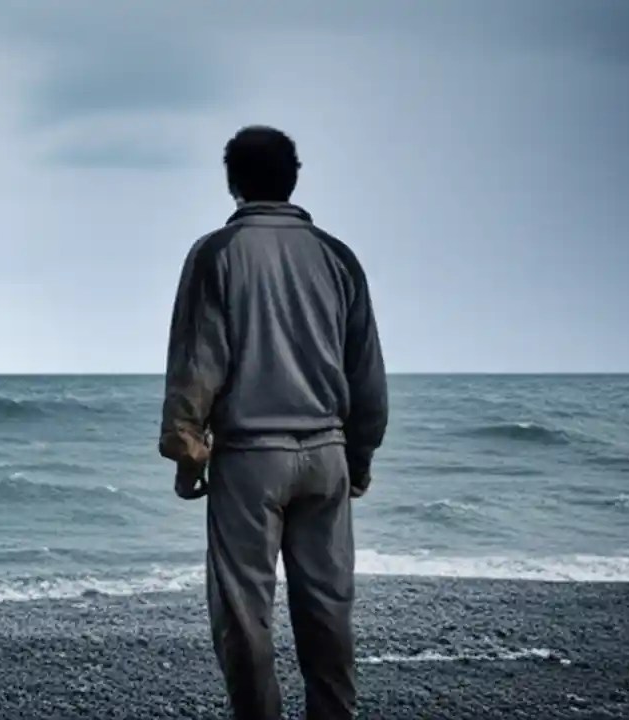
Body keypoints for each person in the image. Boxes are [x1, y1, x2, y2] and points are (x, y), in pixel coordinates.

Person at [159, 125, 388, 720]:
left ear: (231, 181)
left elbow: (197, 363)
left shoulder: (216, 253)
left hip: (249, 457)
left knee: (244, 615)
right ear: (294, 179)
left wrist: (188, 454)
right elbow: (366, 372)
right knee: (329, 610)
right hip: (327, 453)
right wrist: (359, 459)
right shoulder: (338, 257)